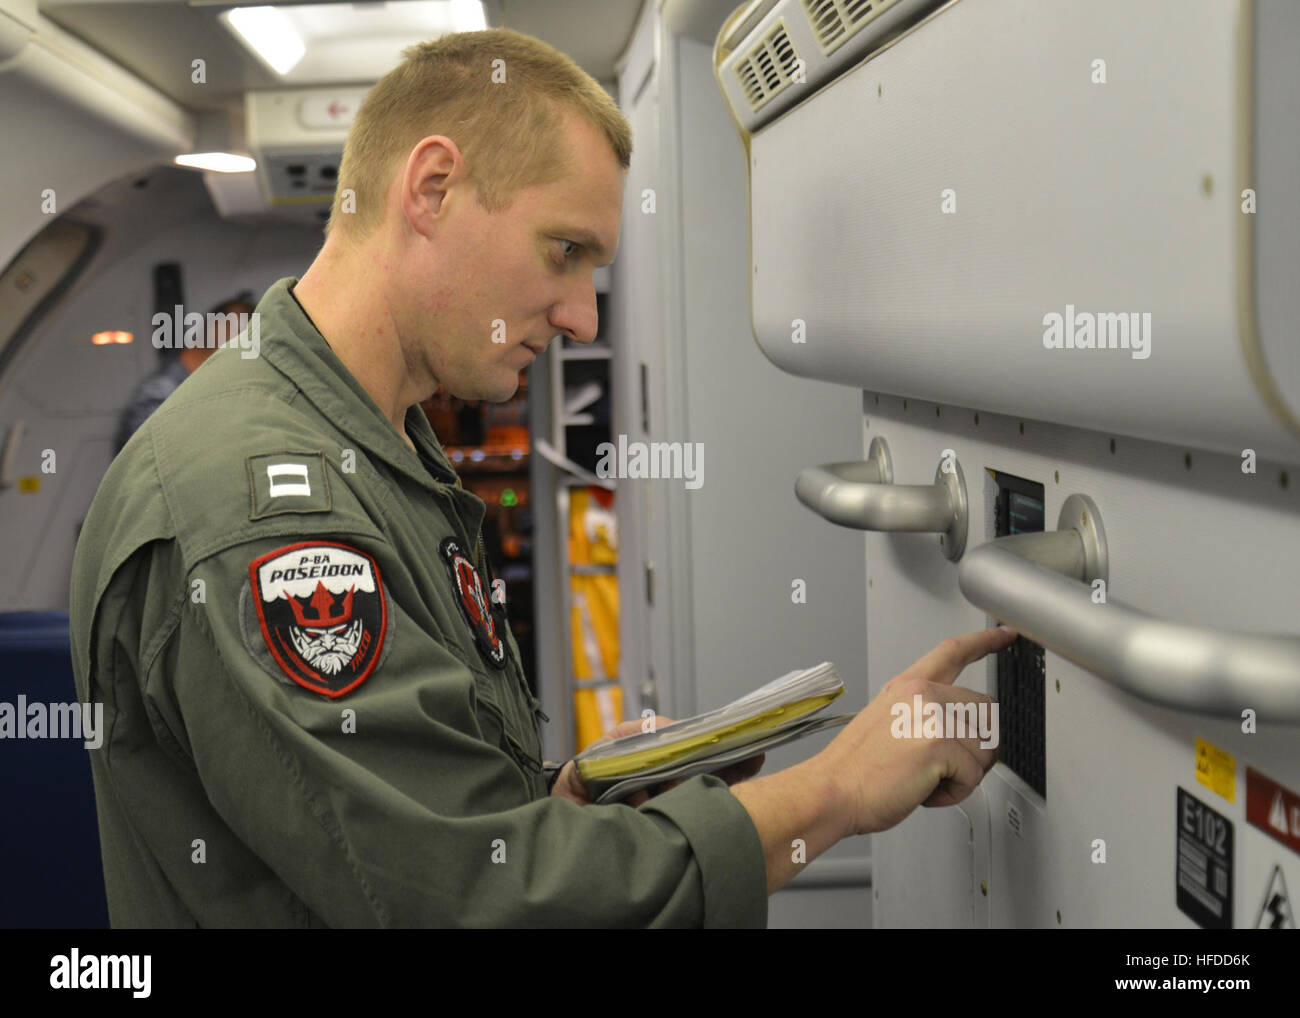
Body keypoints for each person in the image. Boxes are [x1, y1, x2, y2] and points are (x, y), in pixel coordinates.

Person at [69, 27, 1014, 928]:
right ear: (432, 188)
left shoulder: (378, 442)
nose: (581, 318)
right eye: (564, 252)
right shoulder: (256, 511)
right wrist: (838, 788)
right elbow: (482, 906)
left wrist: (562, 796)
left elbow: (404, 835)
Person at [113, 294, 255, 453]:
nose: (246, 341)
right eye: (239, 329)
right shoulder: (161, 392)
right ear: (213, 327)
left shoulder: (213, 387)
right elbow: (141, 461)